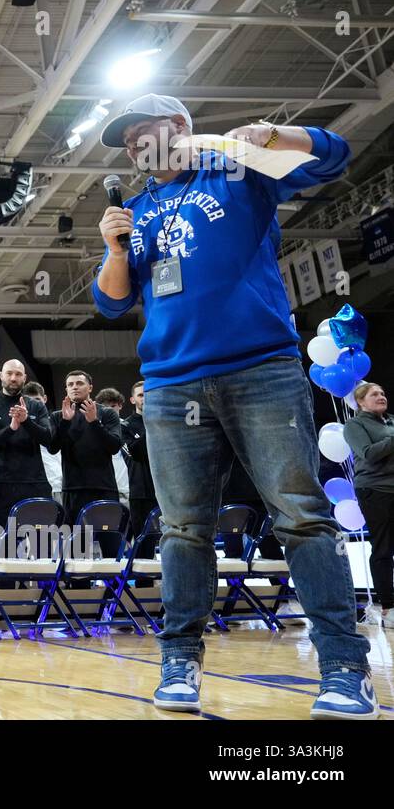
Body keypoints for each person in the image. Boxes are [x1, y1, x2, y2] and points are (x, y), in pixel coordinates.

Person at [94, 94, 374, 718]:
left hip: (261, 371)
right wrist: (116, 249)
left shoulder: (237, 168)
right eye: (131, 140)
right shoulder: (134, 212)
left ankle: (346, 669)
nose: (140, 145)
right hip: (170, 385)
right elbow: (112, 304)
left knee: (300, 514)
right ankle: (180, 663)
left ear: (182, 128)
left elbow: (334, 158)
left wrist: (276, 133)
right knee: (183, 529)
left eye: (149, 132)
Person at [343, 382, 393, 629]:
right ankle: (388, 608)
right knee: (383, 548)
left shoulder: (391, 422)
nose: (381, 396)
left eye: (383, 393)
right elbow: (369, 453)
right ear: (361, 402)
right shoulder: (355, 425)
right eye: (375, 394)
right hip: (375, 490)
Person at [0, 362, 53, 529]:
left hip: (35, 483)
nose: (13, 378)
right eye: (9, 373)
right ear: (1, 375)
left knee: (42, 544)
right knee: (6, 546)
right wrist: (11, 428)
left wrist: (26, 421)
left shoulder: (36, 405)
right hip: (1, 484)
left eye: (18, 374)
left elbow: (48, 439)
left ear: (25, 378)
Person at [50, 371, 123, 525]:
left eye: (79, 383)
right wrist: (65, 422)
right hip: (73, 489)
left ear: (90, 387)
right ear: (66, 389)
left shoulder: (107, 413)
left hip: (104, 487)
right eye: (70, 384)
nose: (74, 387)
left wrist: (94, 422)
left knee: (110, 542)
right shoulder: (58, 416)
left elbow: (114, 446)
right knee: (79, 546)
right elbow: (53, 447)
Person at [120, 381, 158, 535]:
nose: (145, 398)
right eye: (141, 395)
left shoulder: (164, 423)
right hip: (141, 493)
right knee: (144, 544)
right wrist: (151, 424)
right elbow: (135, 453)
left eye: (148, 394)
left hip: (166, 491)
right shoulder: (125, 426)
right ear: (133, 399)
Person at [21, 381, 63, 504]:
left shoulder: (56, 423)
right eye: (30, 400)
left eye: (37, 400)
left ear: (44, 399)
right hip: (29, 484)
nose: (34, 404)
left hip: (56, 483)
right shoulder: (17, 425)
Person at [94, 387, 132, 514]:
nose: (110, 410)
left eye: (113, 406)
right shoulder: (96, 429)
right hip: (105, 485)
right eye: (106, 406)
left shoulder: (129, 427)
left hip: (127, 486)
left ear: (120, 406)